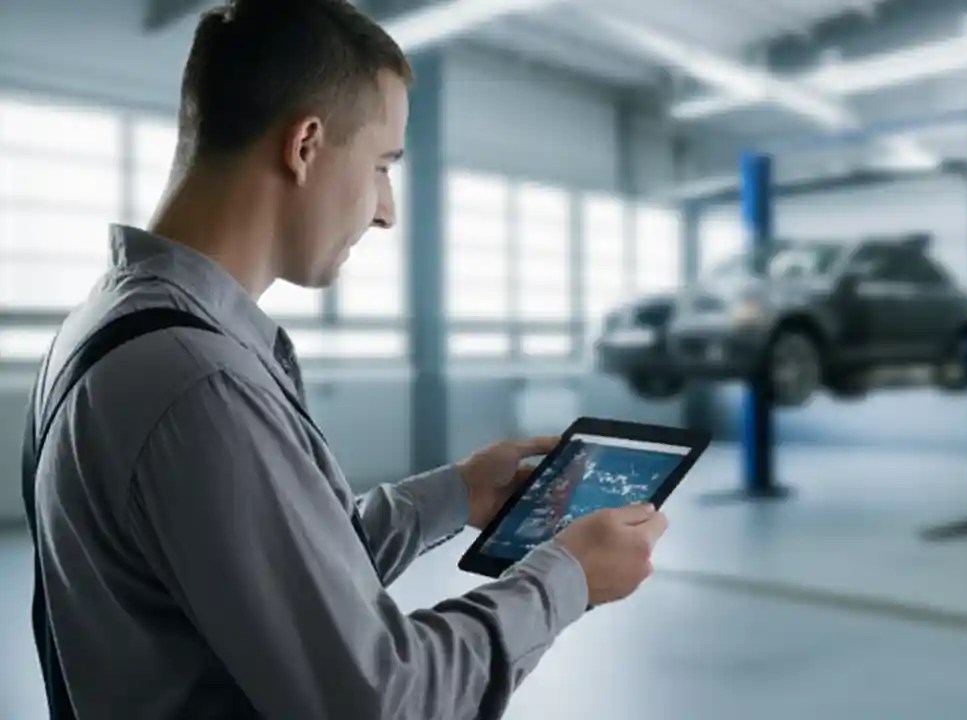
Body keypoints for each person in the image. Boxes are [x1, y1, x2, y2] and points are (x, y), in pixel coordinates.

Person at [23, 0, 669, 717]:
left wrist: (457, 492)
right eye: (383, 165)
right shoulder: (199, 382)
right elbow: (381, 699)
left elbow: (277, 575)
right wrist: (566, 578)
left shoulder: (105, 327)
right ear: (305, 145)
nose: (387, 210)